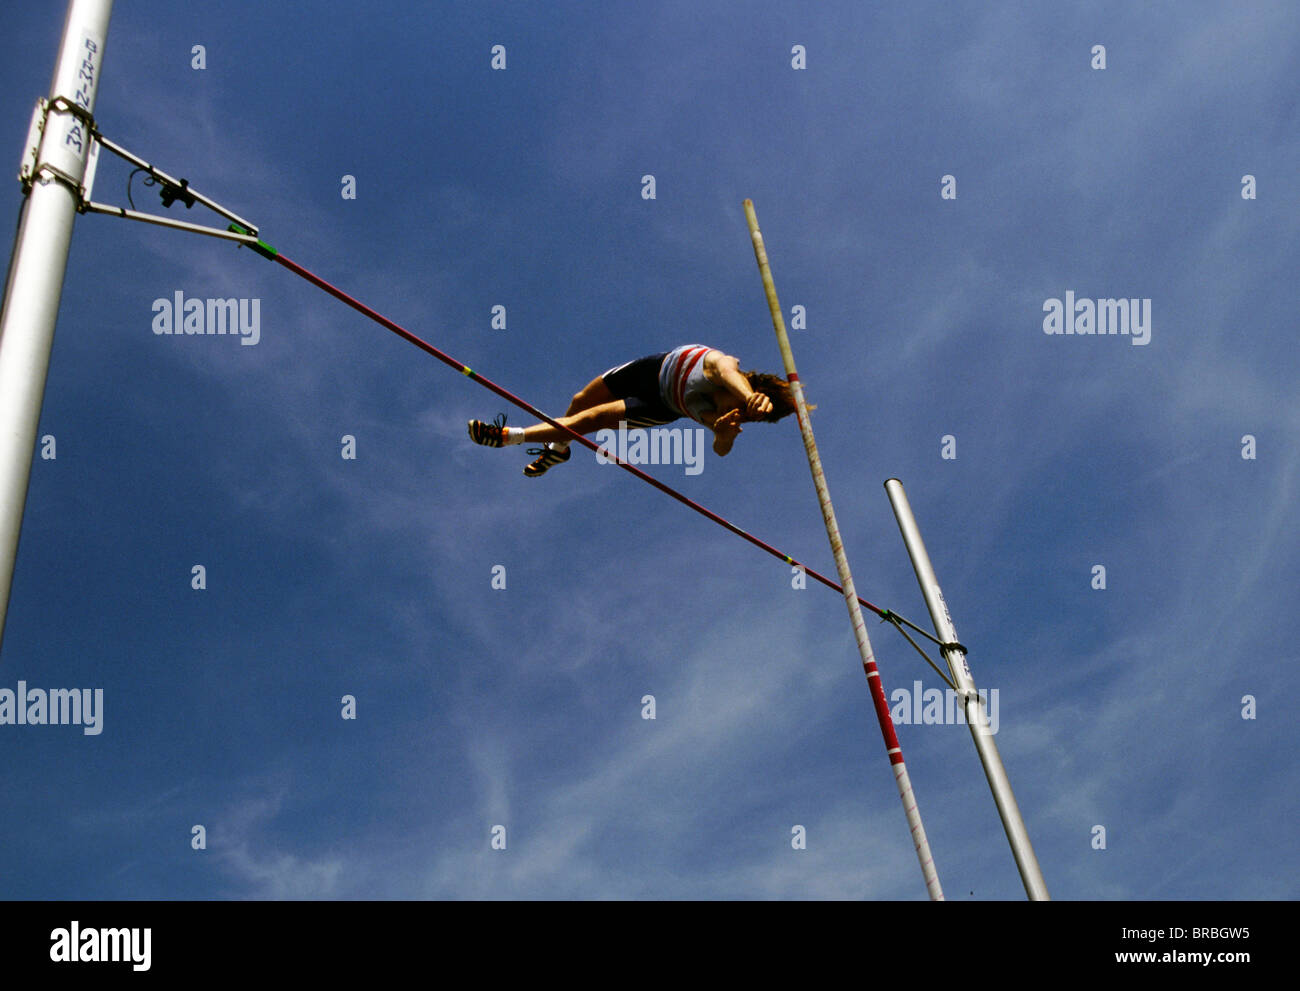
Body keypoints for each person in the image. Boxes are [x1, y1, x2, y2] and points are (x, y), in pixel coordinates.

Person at [467, 344, 801, 476]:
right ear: (748, 388)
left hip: (659, 405)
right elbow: (730, 376)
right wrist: (748, 399)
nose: (738, 412)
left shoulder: (723, 414)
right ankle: (558, 453)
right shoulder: (724, 365)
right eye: (742, 405)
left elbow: (720, 443)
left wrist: (725, 436)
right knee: (580, 400)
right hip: (652, 369)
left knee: (591, 419)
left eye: (745, 415)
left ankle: (509, 436)